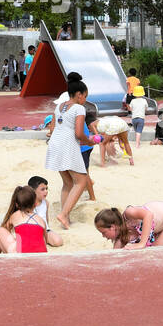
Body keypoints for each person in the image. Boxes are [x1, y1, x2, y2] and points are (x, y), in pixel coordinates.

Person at [46, 80, 99, 229]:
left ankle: (66, 218)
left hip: (56, 144)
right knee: (81, 181)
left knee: (68, 183)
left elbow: (54, 127)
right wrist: (88, 142)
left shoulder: (59, 107)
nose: (85, 100)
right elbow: (78, 132)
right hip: (67, 146)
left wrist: (81, 141)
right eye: (85, 96)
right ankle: (63, 214)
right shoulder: (79, 108)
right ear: (78, 94)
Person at [94, 203, 163, 249]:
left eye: (103, 232)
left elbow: (149, 215)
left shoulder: (128, 213)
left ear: (113, 227)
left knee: (156, 251)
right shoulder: (121, 236)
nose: (103, 236)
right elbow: (116, 253)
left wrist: (142, 243)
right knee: (148, 248)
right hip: (158, 225)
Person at [0, 185, 48, 254]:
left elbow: (5, 231)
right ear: (35, 203)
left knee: (0, 231)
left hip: (21, 257)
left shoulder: (15, 215)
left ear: (17, 205)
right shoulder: (41, 220)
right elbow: (45, 242)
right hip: (41, 257)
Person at [25, 175, 64, 248]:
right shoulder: (27, 204)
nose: (46, 191)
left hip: (45, 230)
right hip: (32, 231)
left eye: (46, 189)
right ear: (33, 190)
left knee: (58, 241)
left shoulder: (46, 202)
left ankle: (44, 239)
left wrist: (47, 229)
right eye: (42, 189)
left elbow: (46, 218)